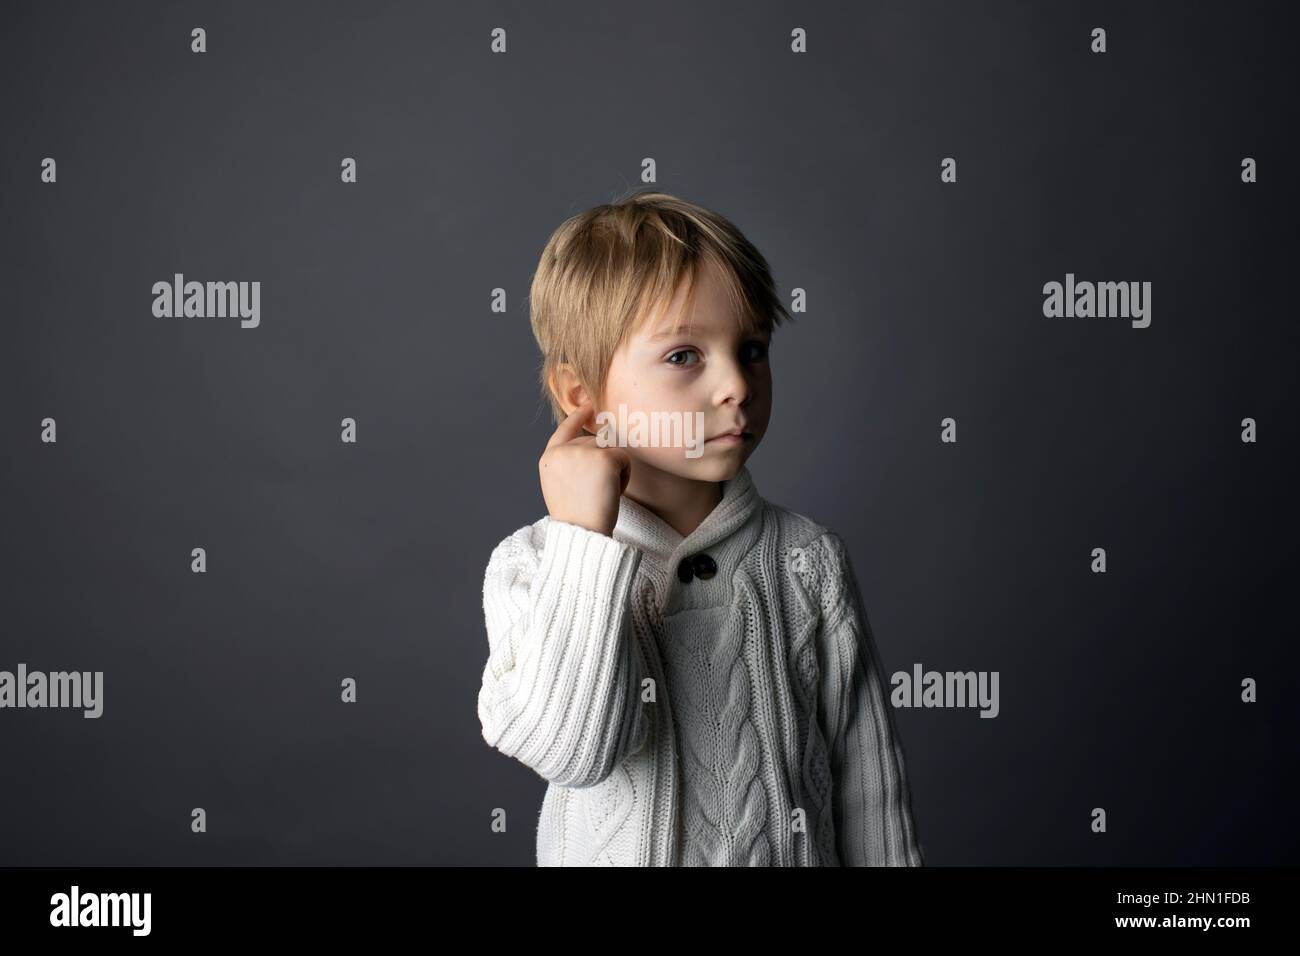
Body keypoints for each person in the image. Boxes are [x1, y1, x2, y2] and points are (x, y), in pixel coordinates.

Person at [477, 188, 924, 866]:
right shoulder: (534, 564)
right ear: (581, 396)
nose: (737, 386)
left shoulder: (807, 560)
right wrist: (584, 540)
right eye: (684, 356)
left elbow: (870, 789)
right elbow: (571, 751)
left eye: (751, 349)